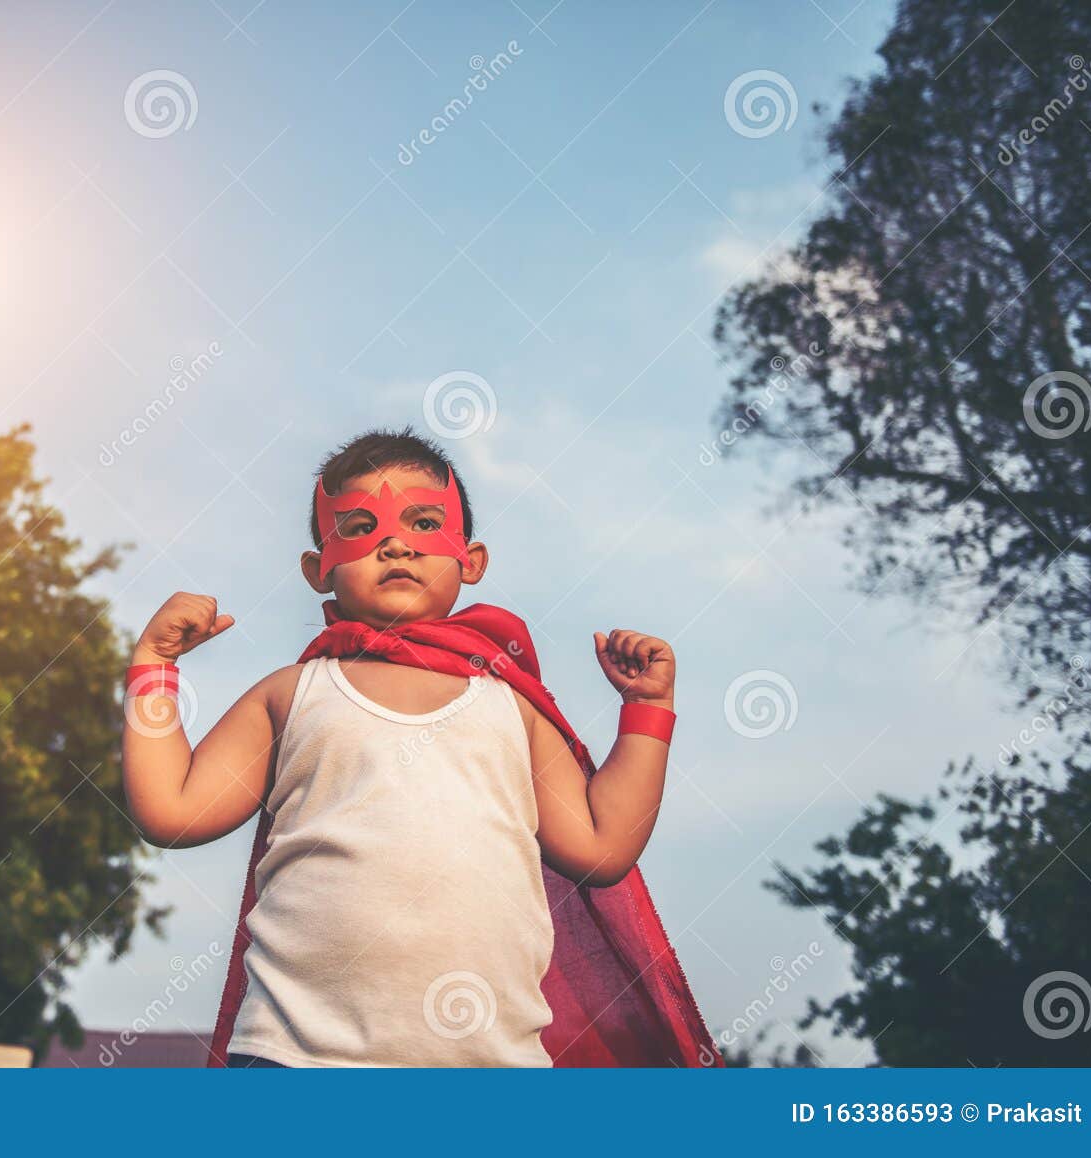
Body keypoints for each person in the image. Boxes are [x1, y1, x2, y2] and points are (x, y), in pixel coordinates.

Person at [121, 427, 716, 1068]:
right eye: (359, 527)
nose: (396, 542)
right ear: (319, 567)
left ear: (471, 558)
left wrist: (647, 710)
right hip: (295, 1060)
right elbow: (171, 811)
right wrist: (154, 666)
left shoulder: (513, 707)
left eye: (425, 522)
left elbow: (602, 848)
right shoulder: (290, 695)